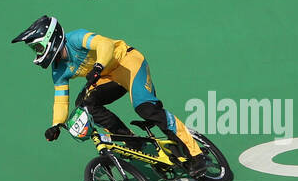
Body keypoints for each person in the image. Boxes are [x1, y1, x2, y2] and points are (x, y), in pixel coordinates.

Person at [11, 15, 204, 164]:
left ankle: (196, 153)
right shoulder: (58, 71)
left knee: (146, 108)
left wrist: (98, 66)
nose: (37, 53)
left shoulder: (76, 38)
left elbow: (105, 44)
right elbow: (61, 99)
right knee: (84, 105)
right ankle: (132, 141)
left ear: (50, 40)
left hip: (127, 63)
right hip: (106, 77)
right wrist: (56, 124)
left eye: (37, 47)